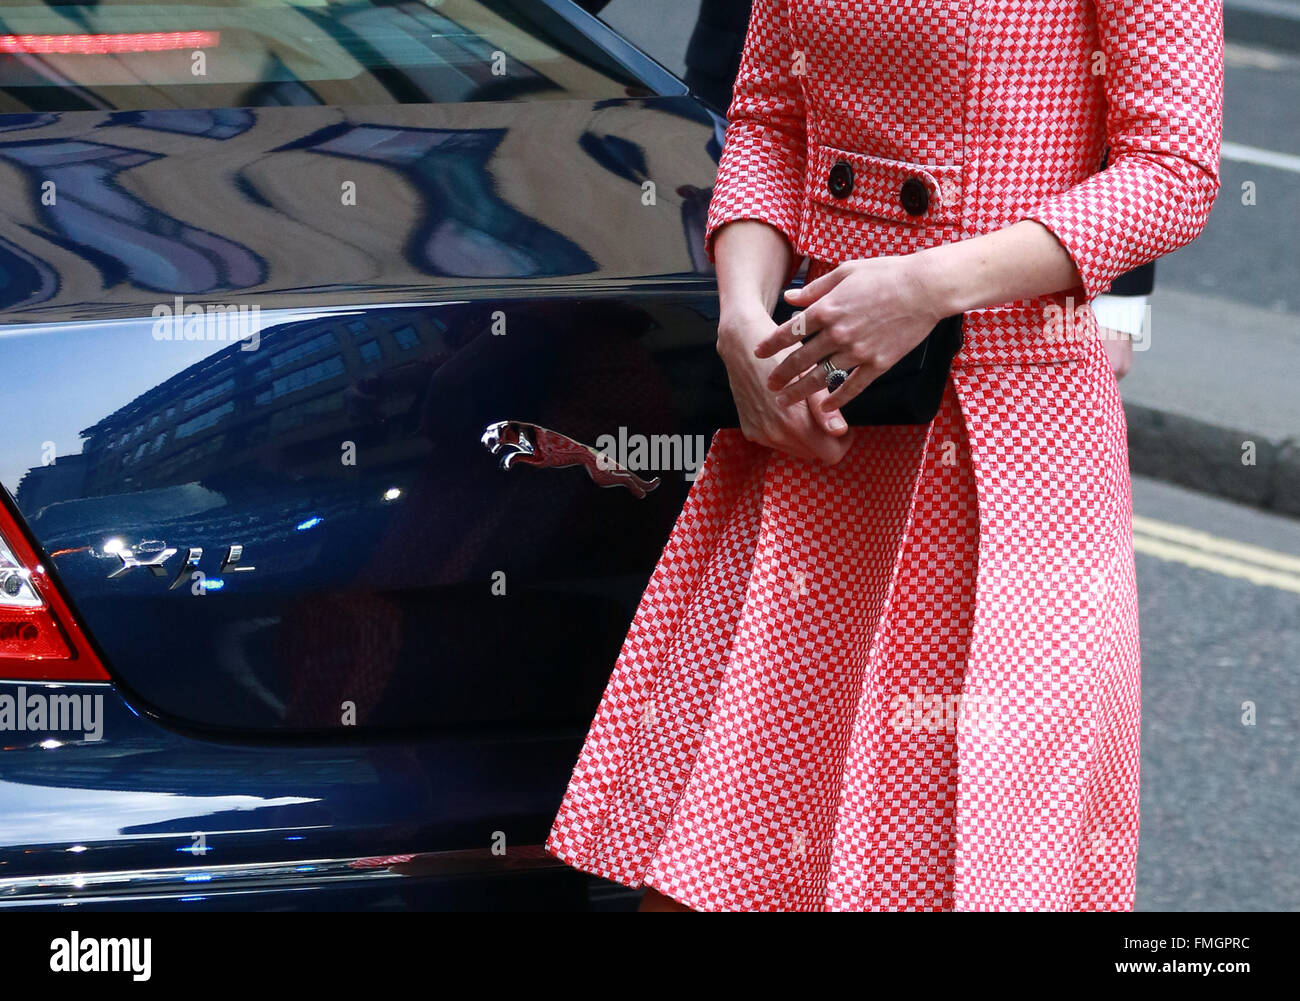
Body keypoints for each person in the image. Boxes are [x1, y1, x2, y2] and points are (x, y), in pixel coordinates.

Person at [548, 0, 1222, 911]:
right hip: (817, 402)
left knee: (957, 865)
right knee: (720, 868)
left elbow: (1173, 170)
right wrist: (743, 316)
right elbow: (767, 121)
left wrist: (924, 287)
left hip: (1010, 418)